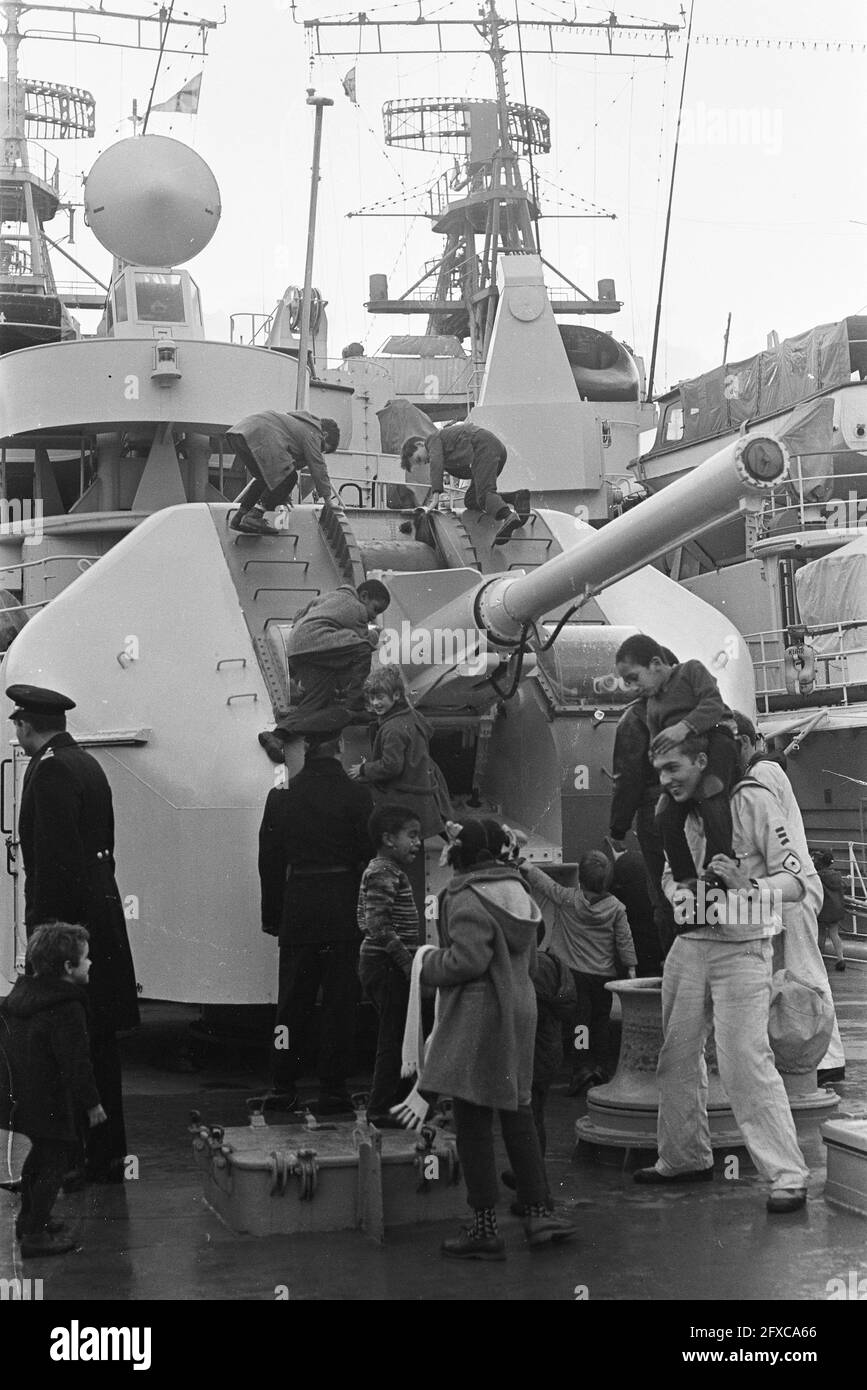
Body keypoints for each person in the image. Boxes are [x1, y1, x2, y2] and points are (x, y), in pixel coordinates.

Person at [634, 732, 811, 1214]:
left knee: (744, 1062)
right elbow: (671, 872)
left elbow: (797, 881)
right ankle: (684, 1156)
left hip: (742, 949)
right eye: (660, 772)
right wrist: (679, 894)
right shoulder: (667, 814)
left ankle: (787, 1175)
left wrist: (744, 884)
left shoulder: (752, 801)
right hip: (690, 945)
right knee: (675, 1056)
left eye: (674, 769)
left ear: (702, 761)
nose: (665, 780)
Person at [419, 819, 576, 1259]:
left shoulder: (464, 894)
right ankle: (539, 1213)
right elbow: (522, 964)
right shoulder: (519, 893)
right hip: (520, 1010)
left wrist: (426, 963)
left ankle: (484, 1229)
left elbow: (467, 960)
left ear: (463, 856)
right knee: (518, 1110)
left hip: (478, 1015)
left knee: (471, 1121)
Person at [8, 685, 139, 1184]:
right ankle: (103, 1153)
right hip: (96, 912)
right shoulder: (87, 763)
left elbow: (55, 860)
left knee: (68, 1041)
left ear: (26, 725)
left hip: (68, 923)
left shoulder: (52, 770)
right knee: (95, 1040)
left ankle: (79, 1158)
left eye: (17, 725)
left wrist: (45, 936)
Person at [258, 734, 374, 1113]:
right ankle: (334, 1089)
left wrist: (274, 915)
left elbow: (270, 861)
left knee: (290, 1005)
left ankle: (282, 1084)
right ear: (341, 746)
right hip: (342, 908)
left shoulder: (282, 796)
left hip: (299, 906)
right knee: (339, 1005)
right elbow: (368, 855)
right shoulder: (358, 796)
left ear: (305, 750)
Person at [731, 712, 846, 1079]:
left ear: (749, 743)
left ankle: (824, 1059)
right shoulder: (767, 773)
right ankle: (817, 1056)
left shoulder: (761, 775)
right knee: (797, 971)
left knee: (804, 972)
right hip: (793, 885)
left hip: (791, 888)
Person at [0, 923, 106, 1257]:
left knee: (39, 1157)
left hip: (22, 1096)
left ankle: (30, 1222)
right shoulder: (66, 1006)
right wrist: (92, 1105)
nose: (91, 964)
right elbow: (76, 1061)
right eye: (85, 960)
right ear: (67, 968)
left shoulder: (22, 996)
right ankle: (34, 1234)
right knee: (55, 1162)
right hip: (50, 1099)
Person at [614, 634, 740, 887]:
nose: (633, 687)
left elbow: (713, 704)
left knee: (712, 790)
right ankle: (685, 877)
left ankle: (718, 865)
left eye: (634, 678)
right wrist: (655, 753)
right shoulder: (651, 705)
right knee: (663, 816)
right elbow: (655, 740)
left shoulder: (691, 671)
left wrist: (684, 727)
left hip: (717, 738)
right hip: (685, 757)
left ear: (656, 664)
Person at [349, 664, 452, 929]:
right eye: (372, 698)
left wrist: (363, 769)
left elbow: (391, 766)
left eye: (380, 697)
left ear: (396, 696)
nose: (375, 703)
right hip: (423, 803)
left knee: (399, 866)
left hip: (402, 805)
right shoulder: (413, 717)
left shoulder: (393, 728)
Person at [524, 851, 637, 1093]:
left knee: (580, 1024)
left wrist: (524, 864)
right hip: (603, 976)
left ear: (580, 880)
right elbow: (624, 940)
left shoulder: (567, 899)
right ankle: (601, 1068)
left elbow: (544, 883)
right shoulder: (617, 908)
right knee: (601, 1023)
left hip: (575, 976)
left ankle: (581, 1067)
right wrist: (631, 967)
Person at [258, 579, 391, 759]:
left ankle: (277, 736)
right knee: (363, 649)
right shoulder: (357, 607)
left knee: (318, 698)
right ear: (364, 597)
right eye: (375, 610)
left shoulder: (329, 597)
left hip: (299, 649)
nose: (373, 617)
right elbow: (364, 638)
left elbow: (298, 615)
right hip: (316, 642)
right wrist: (376, 634)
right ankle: (354, 703)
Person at [608, 646, 680, 958]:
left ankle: (675, 966)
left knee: (663, 894)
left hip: (655, 812)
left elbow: (629, 778)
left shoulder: (634, 718)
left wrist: (618, 827)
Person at [357, 804, 423, 1127]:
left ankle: (393, 1102)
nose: (417, 843)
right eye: (411, 835)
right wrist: (407, 962)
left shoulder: (388, 870)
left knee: (397, 1034)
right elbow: (378, 925)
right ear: (387, 838)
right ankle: (380, 1108)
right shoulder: (384, 871)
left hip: (385, 963)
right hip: (386, 965)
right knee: (393, 1037)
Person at [401, 423, 524, 545]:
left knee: (484, 494)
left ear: (420, 444)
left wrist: (436, 496)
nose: (424, 462)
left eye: (419, 459)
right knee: (471, 500)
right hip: (492, 448)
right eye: (420, 463)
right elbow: (462, 470)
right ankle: (516, 497)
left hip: (483, 446)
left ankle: (508, 516)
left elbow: (436, 463)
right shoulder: (443, 454)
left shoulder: (432, 441)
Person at [227, 410, 343, 535]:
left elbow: (280, 471)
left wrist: (281, 494)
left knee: (264, 478)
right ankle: (255, 516)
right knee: (290, 477)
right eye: (322, 448)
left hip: (240, 433)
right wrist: (327, 499)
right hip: (261, 435)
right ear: (324, 435)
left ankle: (240, 517)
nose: (319, 451)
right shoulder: (313, 433)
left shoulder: (296, 425)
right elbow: (318, 465)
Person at [813, 850, 846, 974]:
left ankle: (818, 961)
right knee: (834, 934)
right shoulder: (837, 875)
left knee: (820, 935)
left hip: (823, 910)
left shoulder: (818, 876)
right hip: (836, 910)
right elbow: (844, 886)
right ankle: (840, 959)